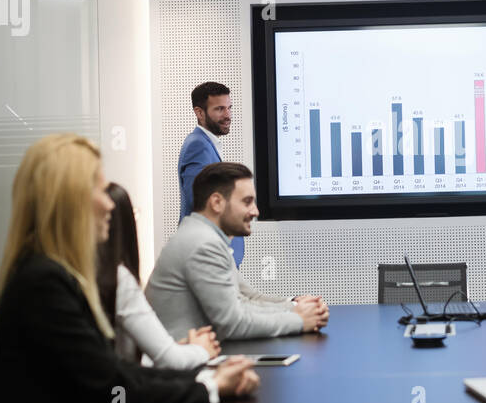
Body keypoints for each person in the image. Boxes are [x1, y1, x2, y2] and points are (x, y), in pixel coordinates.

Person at [0, 134, 258, 403]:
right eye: (98, 190)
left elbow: (114, 371)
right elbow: (113, 385)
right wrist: (209, 387)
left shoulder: (54, 275)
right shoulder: (44, 283)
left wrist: (204, 377)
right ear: (65, 201)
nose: (110, 203)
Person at [147, 162, 329, 341]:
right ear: (217, 202)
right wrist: (298, 320)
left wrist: (295, 306)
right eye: (247, 202)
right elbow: (233, 324)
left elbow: (246, 299)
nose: (255, 211)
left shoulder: (205, 237)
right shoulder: (203, 244)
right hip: (182, 366)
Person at [97, 182, 223, 370]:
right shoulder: (119, 280)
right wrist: (200, 349)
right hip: (121, 397)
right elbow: (168, 360)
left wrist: (180, 348)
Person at [178, 81, 244, 265]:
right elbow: (200, 200)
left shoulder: (205, 144)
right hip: (208, 258)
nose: (228, 115)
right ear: (199, 112)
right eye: (220, 109)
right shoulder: (198, 146)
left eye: (229, 108)